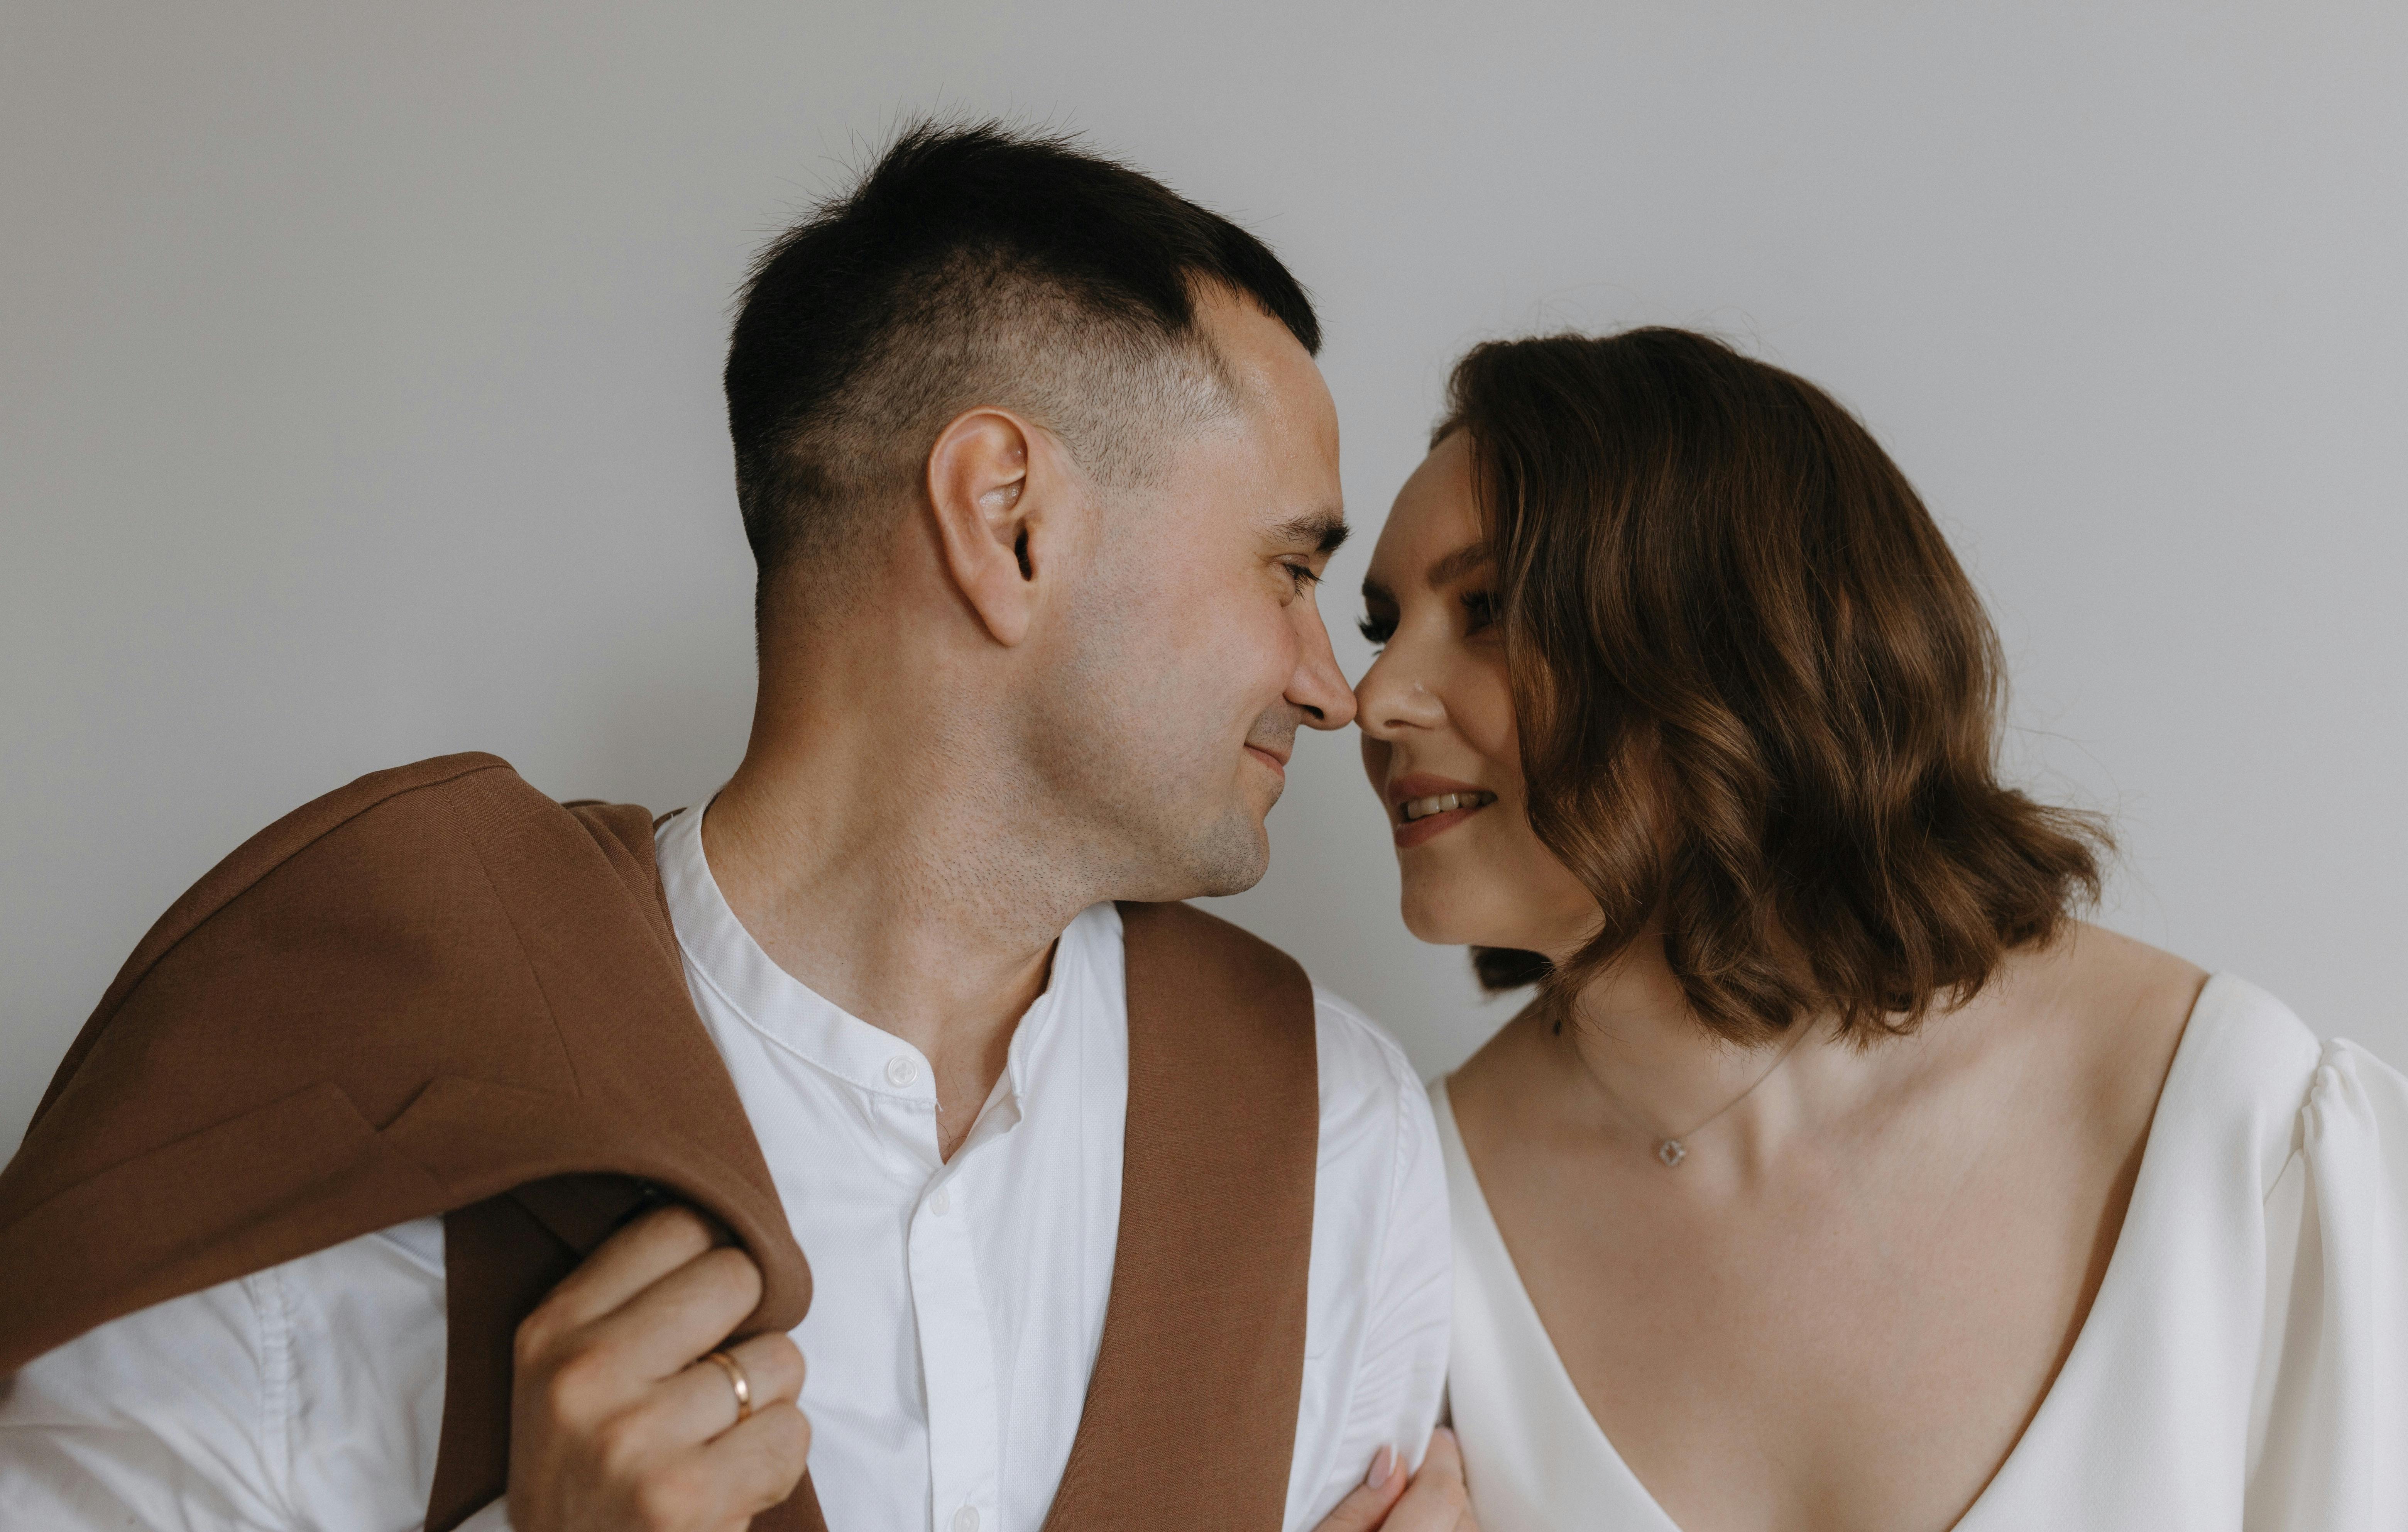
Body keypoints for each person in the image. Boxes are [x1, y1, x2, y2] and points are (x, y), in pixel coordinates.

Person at [0, 123, 1469, 1532]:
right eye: (1287, 572)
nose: (1330, 689)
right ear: (1009, 519)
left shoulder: (1342, 1140)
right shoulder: (362, 1087)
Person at [1353, 327, 2408, 1530]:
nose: (1375, 700)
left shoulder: (2238, 1133)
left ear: (1726, 639)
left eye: (1484, 608)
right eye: (1384, 626)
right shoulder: (1396, 1210)